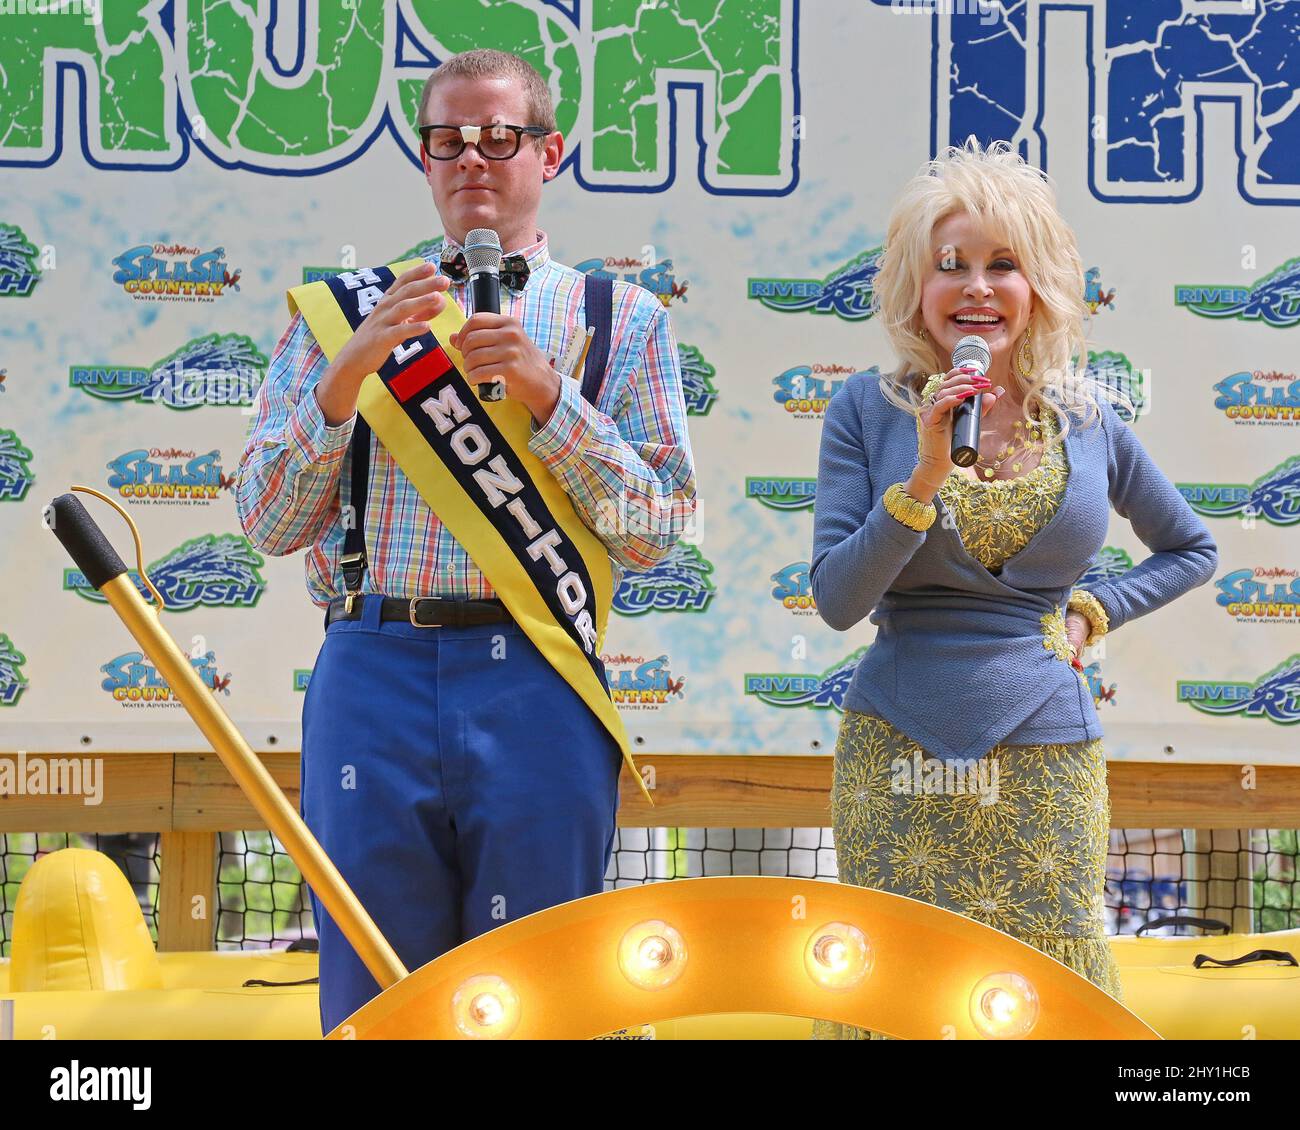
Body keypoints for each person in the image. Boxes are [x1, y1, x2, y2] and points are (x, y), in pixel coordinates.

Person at [235, 49, 696, 1034]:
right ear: (425, 155)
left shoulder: (622, 318)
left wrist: (550, 398)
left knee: (544, 987)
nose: (472, 160)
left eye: (499, 137)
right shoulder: (344, 313)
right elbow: (269, 522)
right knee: (377, 986)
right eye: (448, 140)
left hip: (537, 672)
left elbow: (658, 530)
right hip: (372, 667)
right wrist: (342, 380)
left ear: (551, 151)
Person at [809, 139, 1217, 1039]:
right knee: (894, 990)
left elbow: (1190, 549)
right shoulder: (866, 410)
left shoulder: (1086, 413)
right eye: (950, 265)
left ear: (1039, 289)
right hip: (898, 752)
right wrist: (918, 479)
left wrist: (1093, 609)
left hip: (1047, 755)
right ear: (918, 287)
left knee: (1048, 991)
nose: (977, 287)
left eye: (1004, 265)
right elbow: (837, 600)